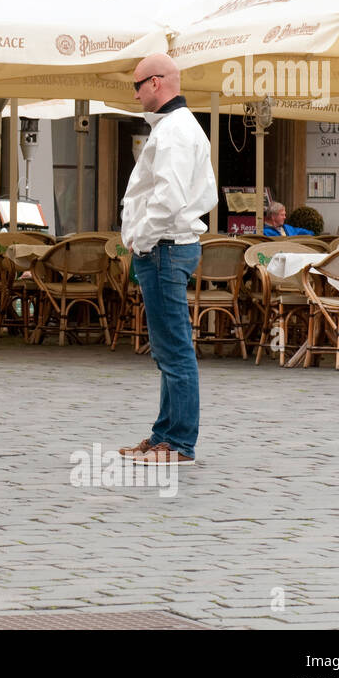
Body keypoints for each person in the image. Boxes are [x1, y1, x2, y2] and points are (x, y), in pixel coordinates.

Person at [118, 53, 217, 466]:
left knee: (174, 350)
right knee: (167, 349)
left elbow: (168, 198)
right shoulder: (177, 127)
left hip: (164, 248)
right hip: (166, 248)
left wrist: (140, 238)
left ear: (156, 83)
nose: (136, 92)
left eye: (137, 84)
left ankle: (178, 444)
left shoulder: (175, 131)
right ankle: (165, 435)